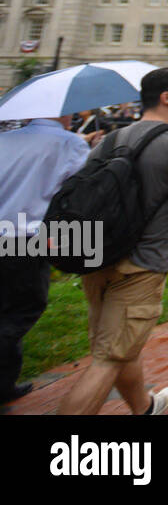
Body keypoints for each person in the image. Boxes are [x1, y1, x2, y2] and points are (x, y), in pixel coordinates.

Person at [57, 68, 168, 415]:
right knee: (109, 358)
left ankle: (144, 408)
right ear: (167, 98)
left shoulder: (112, 138)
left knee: (120, 348)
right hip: (141, 266)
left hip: (99, 255)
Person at [0, 115, 94, 405]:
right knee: (22, 310)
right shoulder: (69, 143)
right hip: (29, 236)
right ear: (63, 113)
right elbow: (82, 192)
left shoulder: (5, 139)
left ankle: (4, 383)